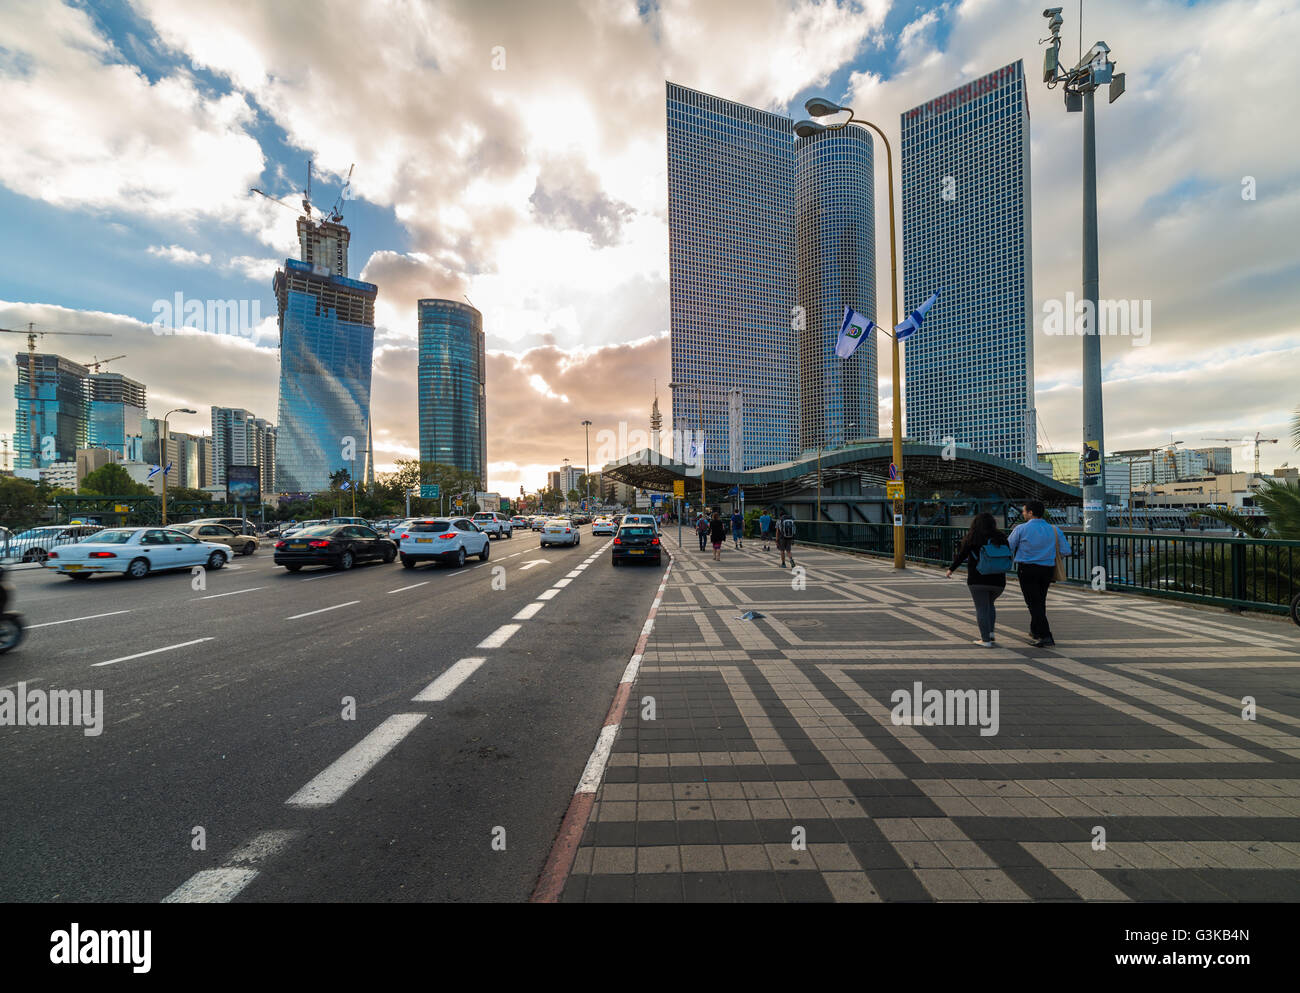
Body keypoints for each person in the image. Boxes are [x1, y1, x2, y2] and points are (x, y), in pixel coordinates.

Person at [1008, 500, 1071, 648]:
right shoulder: (1054, 529)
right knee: (1040, 600)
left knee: (1033, 603)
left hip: (1027, 569)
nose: (1023, 513)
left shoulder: (1020, 529)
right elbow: (1066, 551)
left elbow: (1009, 546)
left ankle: (1045, 635)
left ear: (1030, 513)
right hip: (1047, 569)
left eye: (1024, 511)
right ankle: (1035, 630)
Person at [945, 512, 1010, 647]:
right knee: (990, 604)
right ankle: (991, 633)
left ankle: (985, 640)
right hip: (998, 580)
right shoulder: (1001, 537)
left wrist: (951, 569)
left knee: (981, 607)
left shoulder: (972, 537)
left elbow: (961, 555)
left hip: (978, 579)